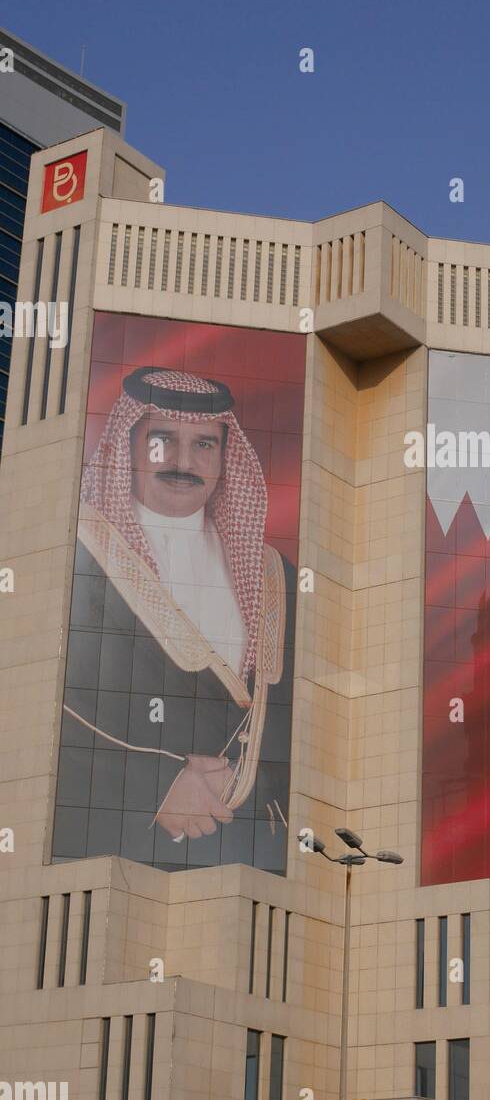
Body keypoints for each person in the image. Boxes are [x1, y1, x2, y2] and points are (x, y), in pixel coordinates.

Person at [55, 366, 294, 868]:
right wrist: (154, 787)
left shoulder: (276, 576)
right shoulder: (73, 555)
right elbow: (34, 710)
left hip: (250, 861)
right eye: (163, 441)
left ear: (227, 458)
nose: (184, 462)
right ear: (129, 444)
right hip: (117, 853)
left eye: (205, 445)